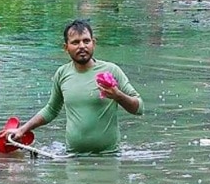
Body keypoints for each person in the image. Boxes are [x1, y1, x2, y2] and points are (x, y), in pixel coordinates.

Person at [10, 19, 142, 154]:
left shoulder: (111, 71)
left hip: (109, 157)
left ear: (94, 43)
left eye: (86, 41)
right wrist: (23, 129)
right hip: (73, 158)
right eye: (75, 42)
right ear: (66, 47)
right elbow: (51, 110)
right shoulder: (62, 73)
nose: (82, 46)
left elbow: (139, 108)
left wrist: (118, 96)